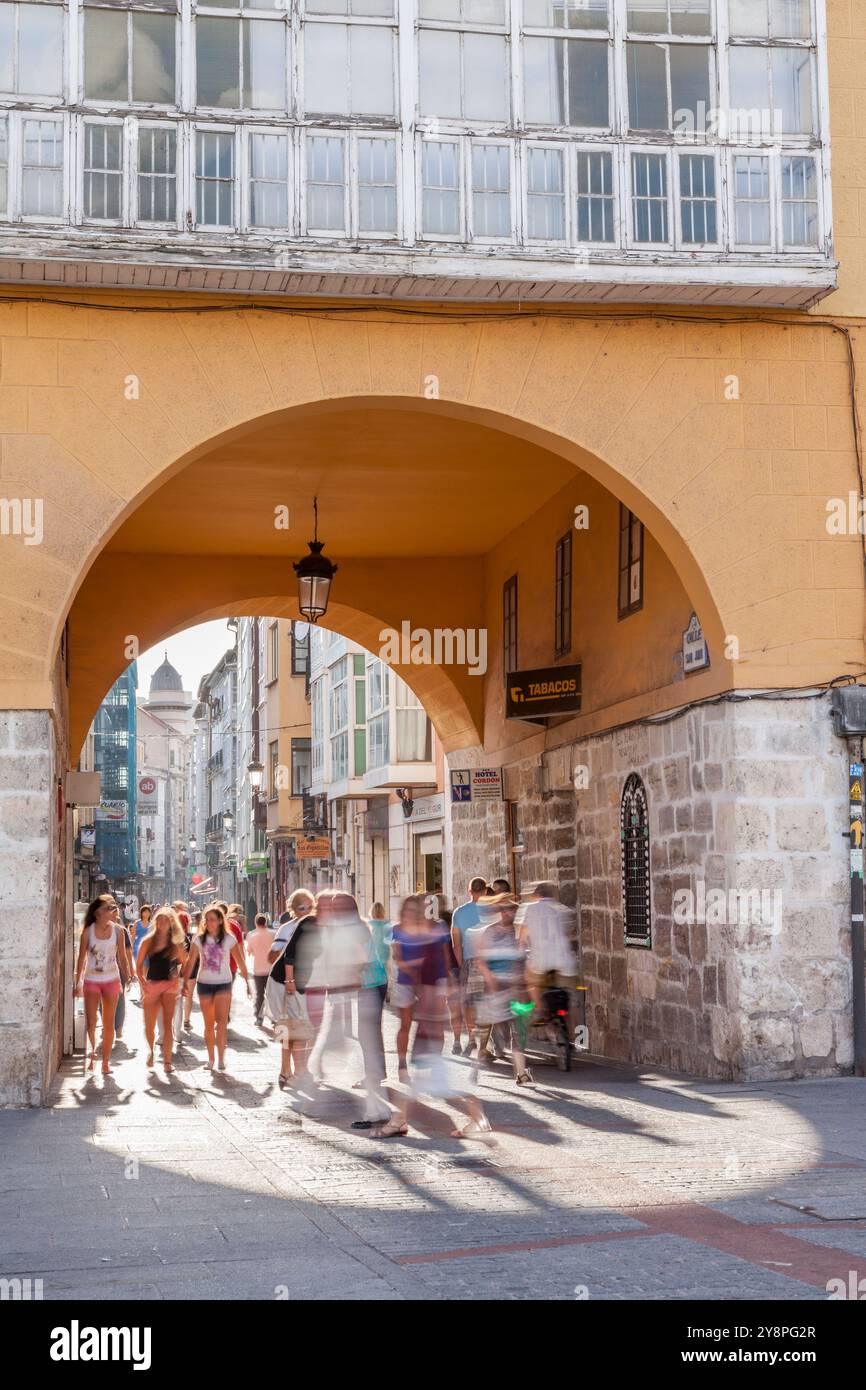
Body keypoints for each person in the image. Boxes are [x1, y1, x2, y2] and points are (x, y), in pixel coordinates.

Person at [374, 896, 492, 1143]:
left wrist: (443, 988)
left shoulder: (433, 933)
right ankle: (400, 1121)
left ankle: (477, 1120)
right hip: (423, 999)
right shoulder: (403, 931)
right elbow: (401, 958)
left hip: (429, 1002)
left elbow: (439, 964)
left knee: (437, 1085)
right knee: (428, 1084)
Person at [466, 894, 532, 1085]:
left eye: (511, 910)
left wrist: (522, 982)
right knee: (485, 1032)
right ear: (499, 912)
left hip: (515, 990)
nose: (508, 913)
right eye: (504, 910)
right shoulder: (489, 933)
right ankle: (476, 1069)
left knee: (518, 1032)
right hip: (494, 990)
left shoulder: (519, 933)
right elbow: (481, 961)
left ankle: (521, 1073)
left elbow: (523, 958)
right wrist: (491, 980)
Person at [182, 903, 251, 1072]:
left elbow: (240, 960)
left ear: (220, 920)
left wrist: (248, 981)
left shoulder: (229, 939)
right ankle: (211, 1059)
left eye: (212, 919)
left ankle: (221, 1058)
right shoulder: (198, 939)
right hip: (204, 984)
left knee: (221, 1023)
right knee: (208, 1024)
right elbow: (190, 962)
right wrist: (184, 981)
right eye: (207, 919)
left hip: (223, 983)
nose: (209, 922)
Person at [74, 894, 127, 1075]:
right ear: (97, 913)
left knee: (109, 1024)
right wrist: (77, 983)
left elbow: (122, 958)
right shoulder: (88, 932)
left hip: (112, 980)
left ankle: (105, 1062)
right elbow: (81, 959)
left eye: (111, 908)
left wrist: (126, 978)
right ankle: (91, 1055)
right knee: (91, 1022)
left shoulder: (118, 931)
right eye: (107, 908)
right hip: (92, 981)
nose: (111, 911)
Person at [270, 892, 318, 1089]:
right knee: (292, 1028)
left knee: (291, 1028)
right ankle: (295, 1072)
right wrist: (290, 978)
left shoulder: (317, 925)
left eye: (309, 907)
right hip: (283, 981)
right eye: (301, 908)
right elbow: (281, 954)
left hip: (295, 981)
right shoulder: (294, 926)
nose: (306, 912)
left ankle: (287, 1072)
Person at [515, 881, 580, 1021]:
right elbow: (569, 932)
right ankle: (573, 1037)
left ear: (536, 894)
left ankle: (539, 1008)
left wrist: (521, 950)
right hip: (564, 962)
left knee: (530, 980)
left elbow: (522, 937)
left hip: (540, 961)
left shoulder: (528, 909)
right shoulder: (562, 910)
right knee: (570, 1000)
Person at [137, 905, 188, 1074]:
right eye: (159, 919)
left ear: (171, 922)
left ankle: (167, 1062)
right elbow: (139, 965)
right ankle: (151, 1051)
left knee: (167, 1024)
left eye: (165, 920)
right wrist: (142, 982)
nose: (162, 923)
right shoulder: (148, 941)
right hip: (152, 984)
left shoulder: (175, 942)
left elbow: (184, 962)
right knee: (149, 1025)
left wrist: (180, 978)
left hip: (169, 986)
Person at [450, 876, 488, 1056]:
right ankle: (484, 1046)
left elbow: (456, 944)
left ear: (469, 891)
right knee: (487, 1003)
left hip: (469, 960)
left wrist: (461, 964)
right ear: (486, 890)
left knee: (469, 1003)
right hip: (489, 961)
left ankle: (472, 1037)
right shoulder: (492, 910)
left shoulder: (459, 912)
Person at [109, 901, 134, 1042]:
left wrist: (129, 970)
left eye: (114, 912)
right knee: (103, 1001)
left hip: (118, 970)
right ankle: (109, 1025)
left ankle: (118, 1027)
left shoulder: (121, 931)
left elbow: (127, 953)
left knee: (120, 998)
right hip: (102, 972)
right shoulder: (97, 929)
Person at [247, 912, 275, 1024]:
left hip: (258, 969)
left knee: (259, 995)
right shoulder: (274, 933)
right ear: (266, 922)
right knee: (272, 994)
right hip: (271, 969)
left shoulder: (251, 935)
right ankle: (274, 1018)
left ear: (255, 923)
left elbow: (249, 952)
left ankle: (259, 1017)